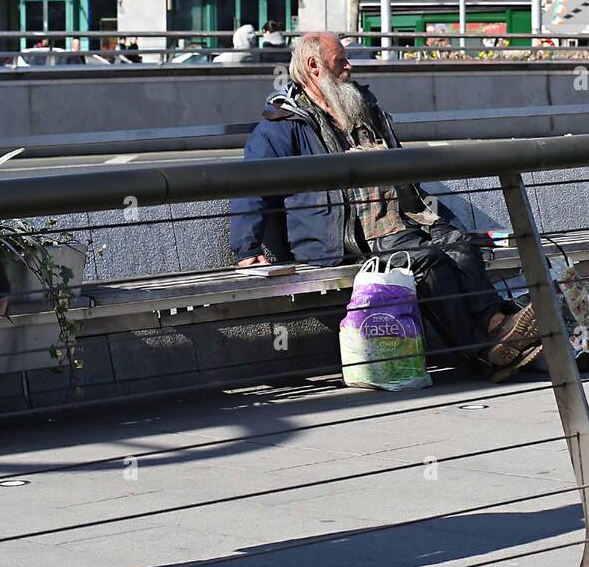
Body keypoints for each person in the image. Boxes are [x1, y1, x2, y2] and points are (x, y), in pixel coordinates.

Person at [230, 32, 541, 380]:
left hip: (400, 219)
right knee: (429, 262)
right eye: (340, 62)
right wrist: (247, 246)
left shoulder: (362, 105)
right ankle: (483, 353)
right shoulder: (282, 124)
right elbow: (250, 181)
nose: (349, 67)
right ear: (313, 66)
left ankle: (497, 324)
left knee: (458, 242)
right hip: (342, 236)